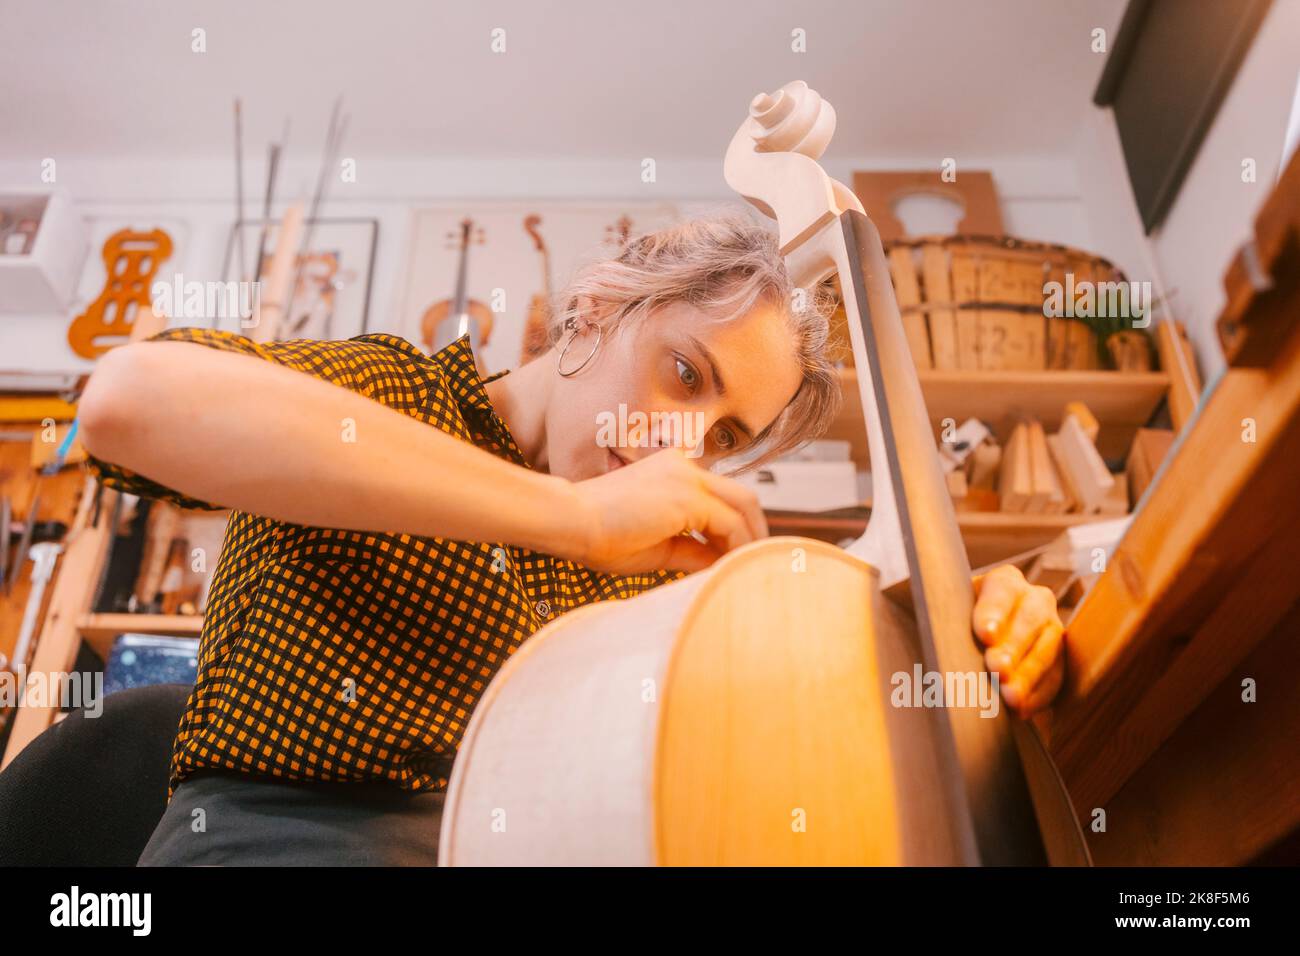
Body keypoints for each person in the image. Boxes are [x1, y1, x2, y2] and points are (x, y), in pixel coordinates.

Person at [77, 209, 1066, 865]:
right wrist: (576, 520)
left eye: (726, 435)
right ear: (594, 310)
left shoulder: (652, 581)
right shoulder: (400, 394)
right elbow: (126, 403)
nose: (684, 443)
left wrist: (956, 623)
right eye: (685, 373)